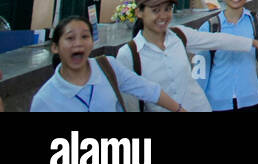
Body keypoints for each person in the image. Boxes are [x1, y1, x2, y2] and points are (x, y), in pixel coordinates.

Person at [114, 0, 258, 112]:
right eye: (155, 11)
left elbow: (216, 40)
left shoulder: (179, 36)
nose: (163, 16)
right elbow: (129, 103)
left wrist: (252, 43)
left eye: (167, 9)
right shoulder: (128, 55)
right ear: (139, 13)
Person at [31, 15, 185, 112]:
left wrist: (179, 110)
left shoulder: (107, 66)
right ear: (55, 47)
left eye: (85, 37)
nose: (78, 44)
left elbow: (148, 90)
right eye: (70, 38)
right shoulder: (45, 99)